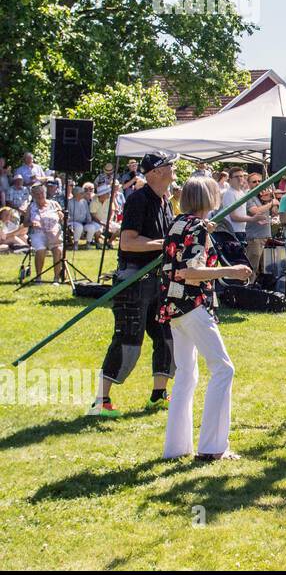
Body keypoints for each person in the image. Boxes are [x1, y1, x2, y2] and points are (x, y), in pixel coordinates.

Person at [158, 177, 254, 460]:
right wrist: (231, 270)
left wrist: (205, 232)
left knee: (187, 375)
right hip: (193, 305)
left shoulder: (178, 223)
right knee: (223, 369)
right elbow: (190, 271)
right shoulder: (197, 228)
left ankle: (175, 448)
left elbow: (183, 253)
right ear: (208, 198)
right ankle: (213, 447)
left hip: (173, 306)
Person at [93, 151, 177, 416]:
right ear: (153, 173)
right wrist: (164, 245)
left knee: (166, 337)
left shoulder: (165, 201)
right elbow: (128, 242)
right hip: (134, 280)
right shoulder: (138, 200)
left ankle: (158, 394)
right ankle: (101, 400)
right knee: (128, 340)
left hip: (158, 281)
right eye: (167, 165)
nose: (173, 168)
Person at [25, 183, 66, 283]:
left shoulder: (54, 204)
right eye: (37, 194)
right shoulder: (31, 207)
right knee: (41, 249)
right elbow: (25, 223)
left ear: (45, 193)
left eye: (42, 193)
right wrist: (31, 223)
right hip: (38, 233)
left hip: (54, 233)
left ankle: (56, 278)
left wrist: (62, 216)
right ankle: (38, 277)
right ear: (33, 195)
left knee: (58, 250)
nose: (40, 195)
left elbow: (64, 220)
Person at [241, 171, 275, 275]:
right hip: (254, 238)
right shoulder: (249, 196)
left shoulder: (261, 197)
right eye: (254, 181)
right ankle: (248, 287)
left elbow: (275, 212)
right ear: (248, 184)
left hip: (264, 236)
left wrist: (271, 199)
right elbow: (254, 211)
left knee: (263, 269)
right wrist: (271, 203)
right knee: (252, 267)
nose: (258, 183)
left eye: (260, 181)